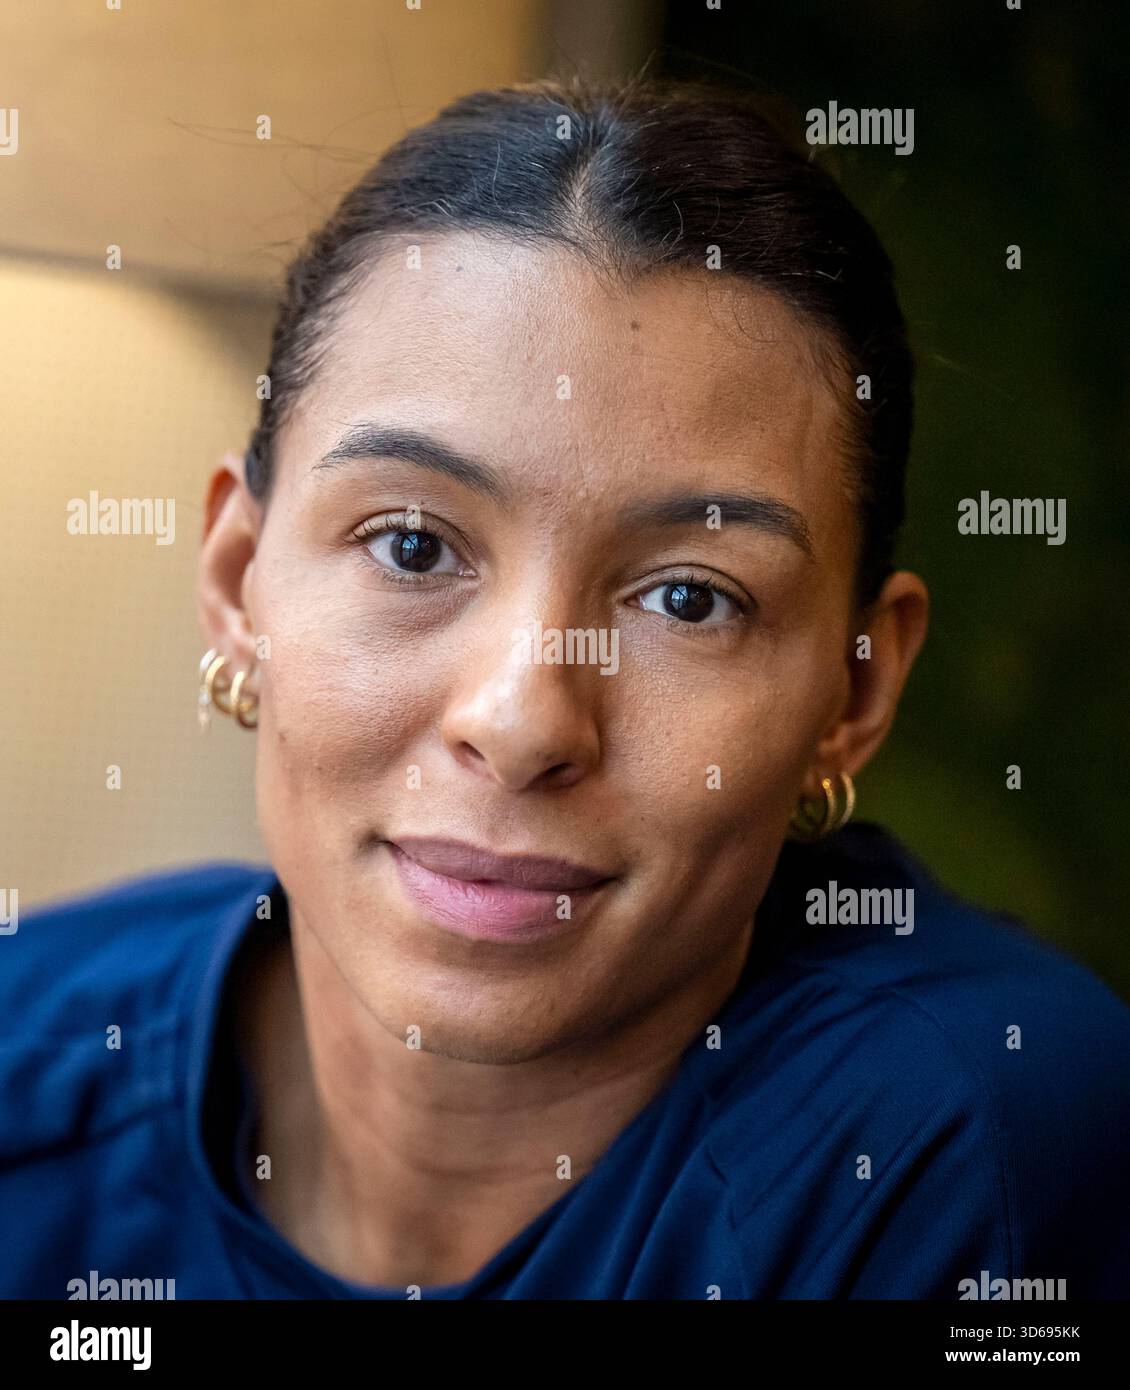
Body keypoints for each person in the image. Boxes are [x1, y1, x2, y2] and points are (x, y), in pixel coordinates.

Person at [3, 75, 1128, 1301]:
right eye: (413, 546)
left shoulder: (960, 1148)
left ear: (853, 690)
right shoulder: (29, 1051)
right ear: (237, 581)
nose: (524, 719)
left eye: (689, 597)